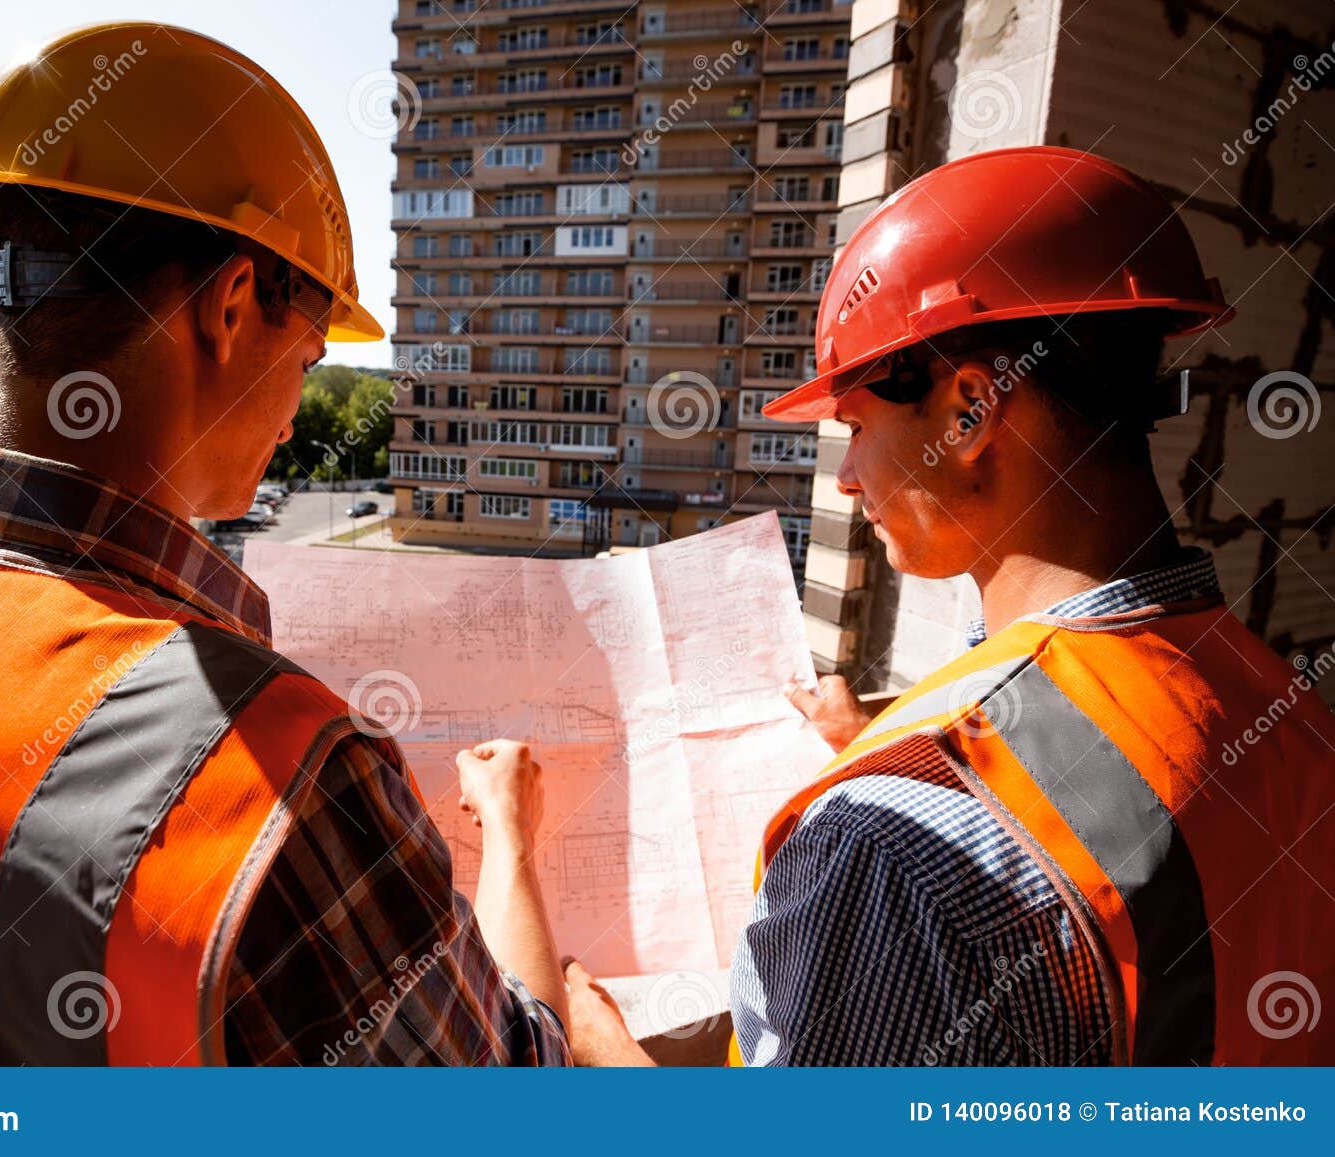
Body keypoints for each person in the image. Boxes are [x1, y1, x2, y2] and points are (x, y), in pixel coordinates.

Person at [0, 23, 568, 1067]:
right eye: (308, 355)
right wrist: (514, 846)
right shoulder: (274, 772)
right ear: (229, 305)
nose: (291, 418)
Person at [564, 146, 1335, 1066]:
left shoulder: (880, 848)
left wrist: (606, 1059)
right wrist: (889, 745)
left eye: (855, 427)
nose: (847, 479)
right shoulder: (1274, 696)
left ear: (970, 413)